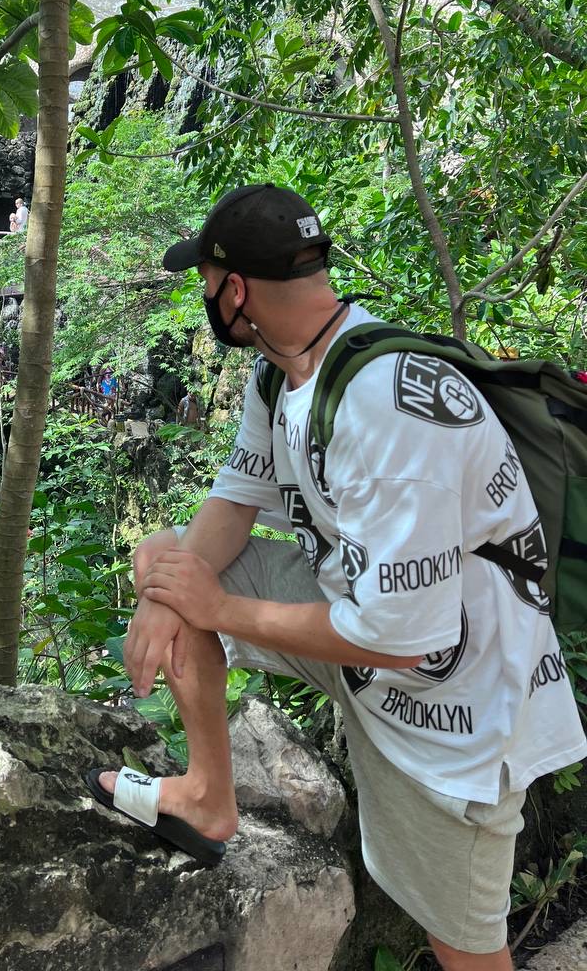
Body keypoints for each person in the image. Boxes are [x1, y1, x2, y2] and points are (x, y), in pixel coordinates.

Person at [86, 184, 586, 971]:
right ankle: (209, 798)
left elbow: (401, 638)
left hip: (454, 694)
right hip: (359, 615)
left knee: (463, 946)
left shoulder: (387, 412)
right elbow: (232, 501)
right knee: (164, 554)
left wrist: (213, 604)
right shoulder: (284, 369)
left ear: (237, 291)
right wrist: (165, 596)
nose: (206, 299)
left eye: (207, 284)